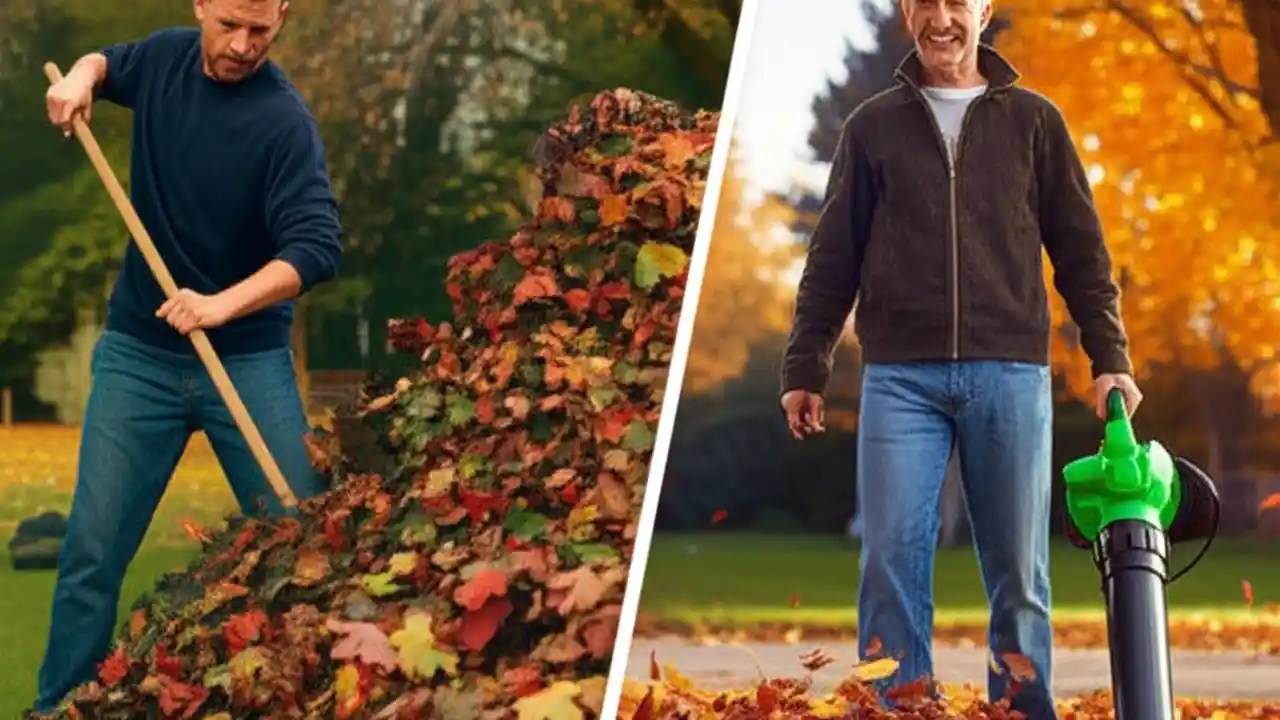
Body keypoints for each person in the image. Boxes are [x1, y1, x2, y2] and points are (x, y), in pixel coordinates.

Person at [779, 1, 1141, 718]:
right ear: (906, 12)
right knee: (888, 561)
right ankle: (901, 704)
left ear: (984, 10)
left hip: (1008, 371)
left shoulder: (1034, 121)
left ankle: (1021, 708)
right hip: (899, 377)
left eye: (957, 2)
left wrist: (1110, 355)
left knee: (1019, 570)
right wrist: (804, 365)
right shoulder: (872, 127)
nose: (941, 18)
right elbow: (833, 257)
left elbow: (1081, 251)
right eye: (924, 2)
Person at [32, 0, 341, 714]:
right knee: (91, 555)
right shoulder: (166, 58)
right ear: (201, 4)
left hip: (246, 360)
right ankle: (57, 709)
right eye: (228, 22)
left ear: (283, 17)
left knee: (300, 545)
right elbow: (107, 65)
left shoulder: (283, 122)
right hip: (139, 355)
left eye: (259, 30)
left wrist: (218, 305)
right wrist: (80, 78)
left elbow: (316, 247)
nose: (240, 45)